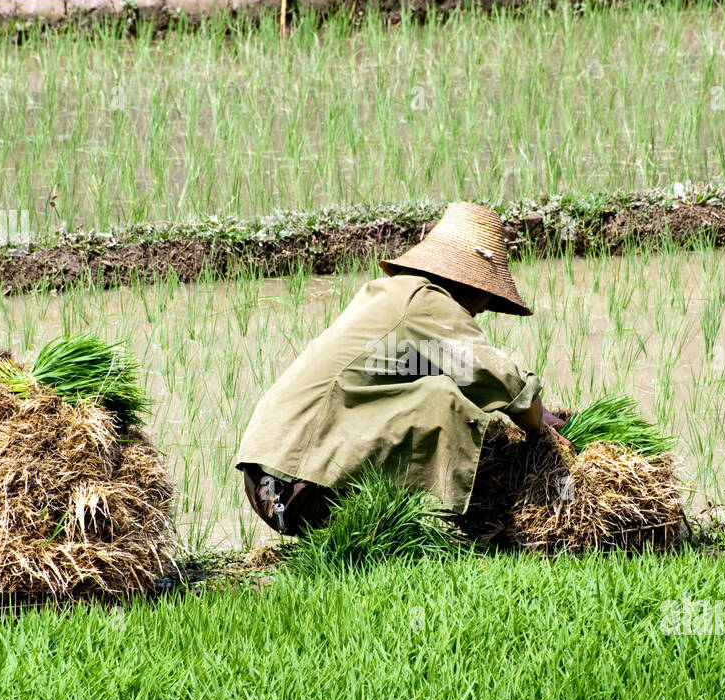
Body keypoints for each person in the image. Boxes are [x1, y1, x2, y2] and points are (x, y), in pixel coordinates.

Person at [235, 201, 563, 535]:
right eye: (488, 297)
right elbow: (503, 381)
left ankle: (390, 526)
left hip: (267, 487)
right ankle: (449, 527)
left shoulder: (383, 297)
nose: (483, 310)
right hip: (301, 493)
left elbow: (459, 371)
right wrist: (543, 431)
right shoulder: (426, 301)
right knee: (442, 398)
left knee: (434, 385)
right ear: (471, 285)